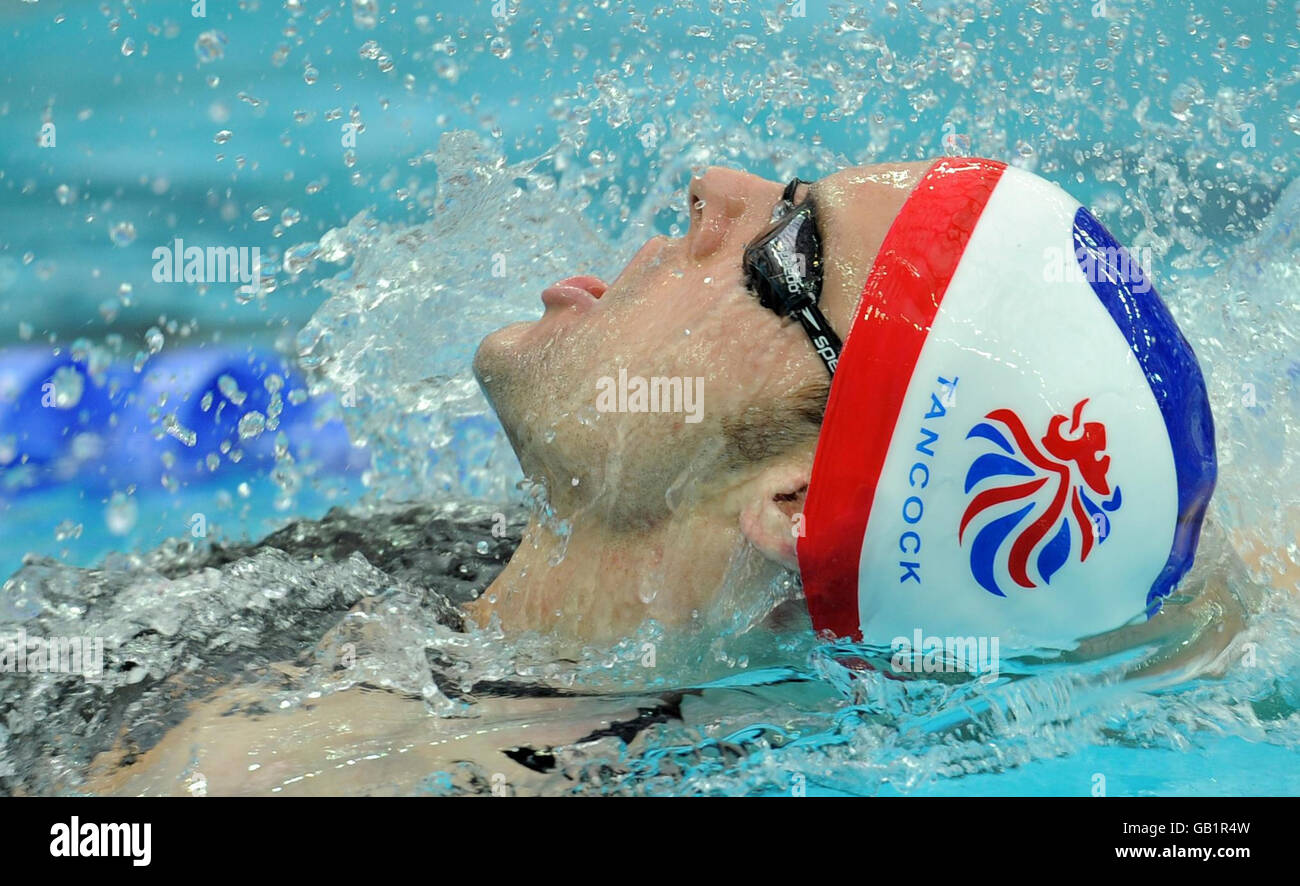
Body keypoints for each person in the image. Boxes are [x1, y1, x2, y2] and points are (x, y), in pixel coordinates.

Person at [82, 158, 1250, 795]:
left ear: (793, 502)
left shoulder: (271, 771)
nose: (711, 187)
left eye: (788, 250)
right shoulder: (670, 689)